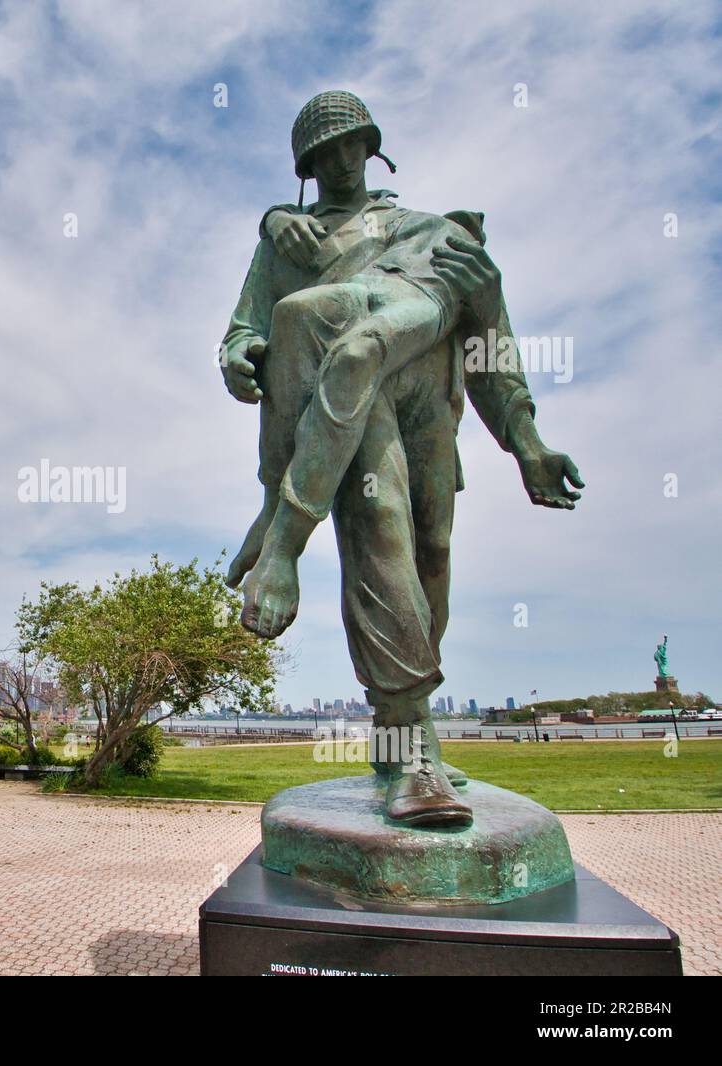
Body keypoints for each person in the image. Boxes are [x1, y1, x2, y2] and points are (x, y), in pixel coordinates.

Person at [218, 91, 584, 825]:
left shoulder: (430, 233)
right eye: (322, 154)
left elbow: (490, 343)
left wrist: (527, 442)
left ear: (372, 147)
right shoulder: (286, 243)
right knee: (378, 526)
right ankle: (417, 748)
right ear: (306, 166)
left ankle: (395, 730)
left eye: (350, 145)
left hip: (430, 408)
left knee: (432, 555)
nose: (339, 163)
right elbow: (245, 332)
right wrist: (241, 358)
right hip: (345, 400)